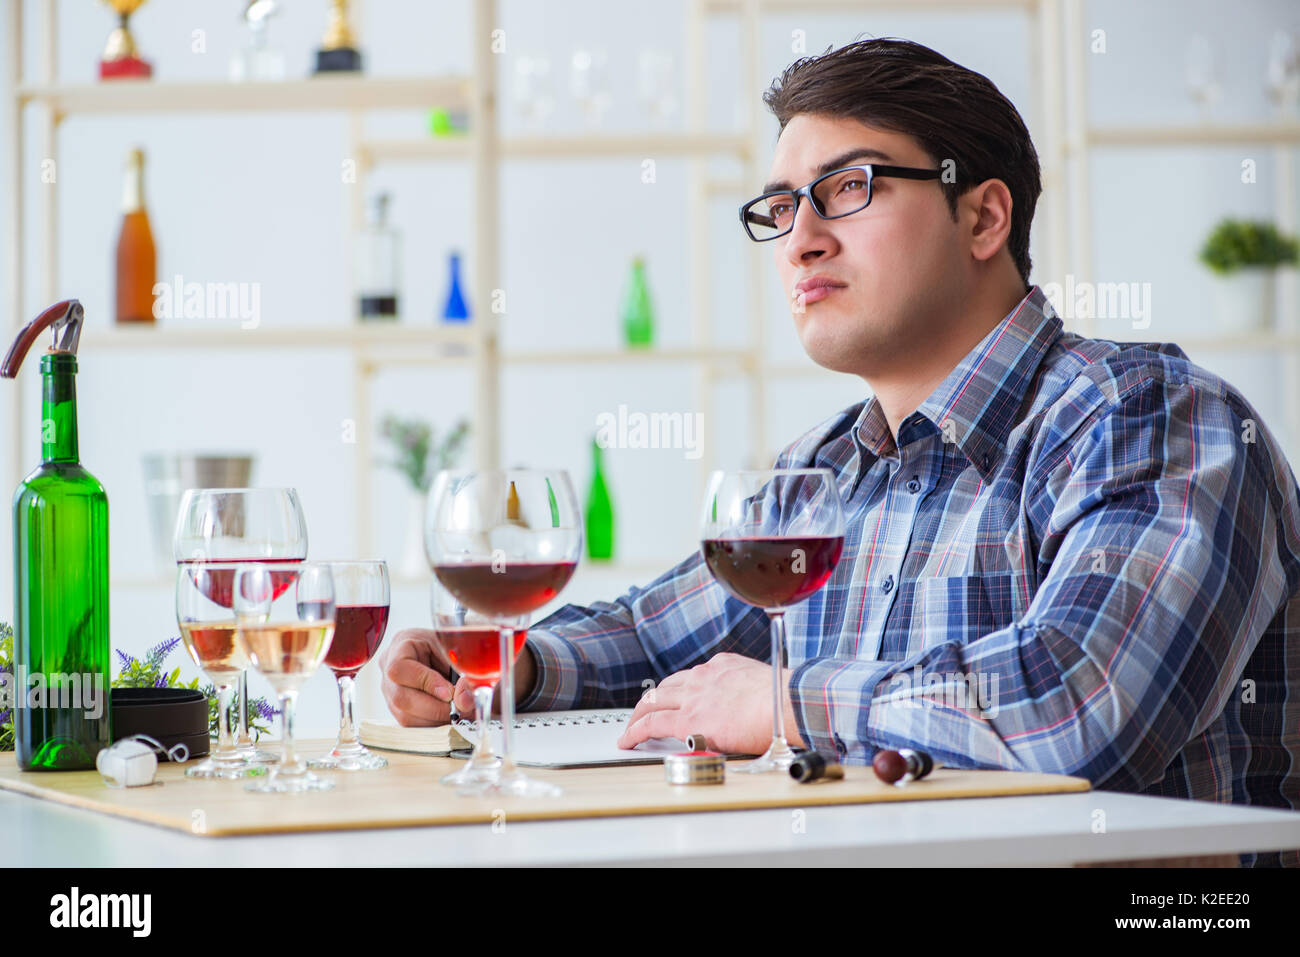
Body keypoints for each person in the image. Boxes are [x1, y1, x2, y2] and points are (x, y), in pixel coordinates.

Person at [381, 38, 1300, 867]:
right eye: (782, 208)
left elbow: (1079, 707)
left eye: (850, 188)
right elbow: (660, 635)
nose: (801, 240)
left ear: (983, 219)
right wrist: (512, 662)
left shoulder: (1149, 419)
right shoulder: (819, 471)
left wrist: (785, 704)